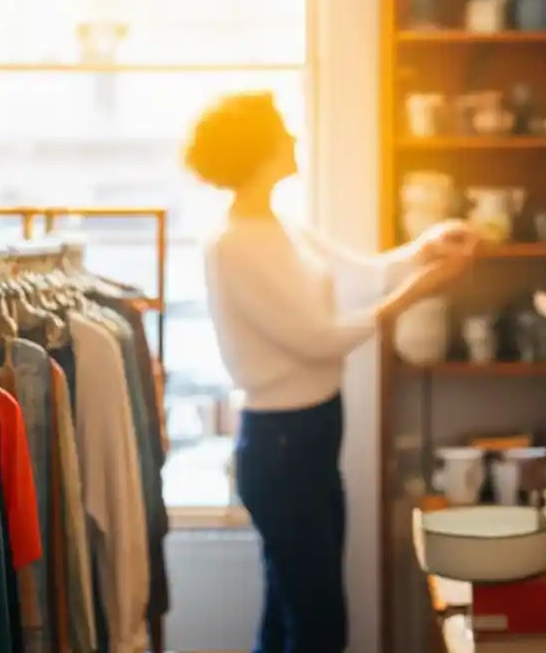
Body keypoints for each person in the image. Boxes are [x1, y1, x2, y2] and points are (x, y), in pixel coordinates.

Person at [184, 91, 477, 653]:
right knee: (317, 623)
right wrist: (418, 292)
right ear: (260, 150)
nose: (293, 140)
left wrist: (424, 248)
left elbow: (363, 275)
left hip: (309, 435)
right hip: (282, 443)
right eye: (282, 133)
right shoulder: (234, 244)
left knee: (292, 612)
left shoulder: (279, 227)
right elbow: (318, 340)